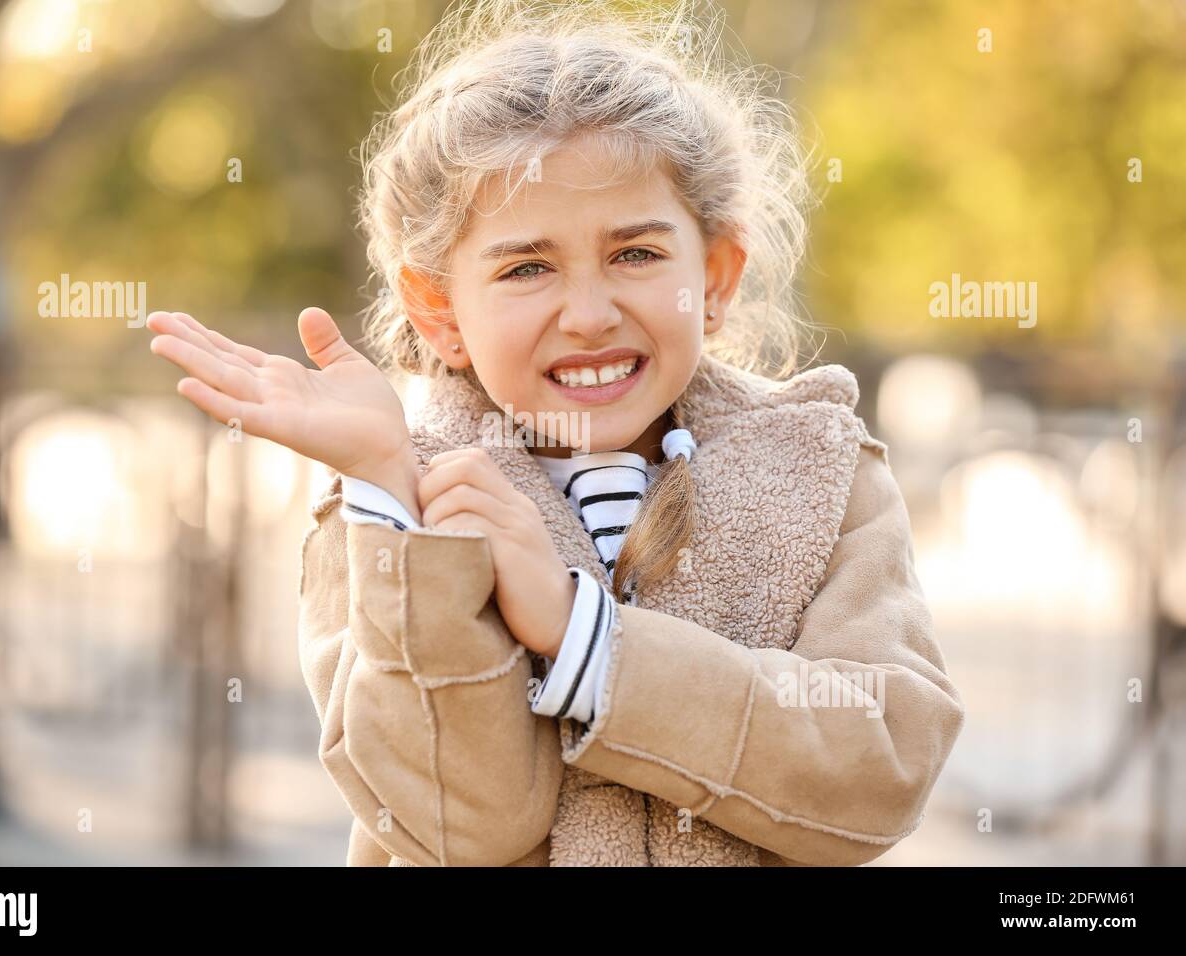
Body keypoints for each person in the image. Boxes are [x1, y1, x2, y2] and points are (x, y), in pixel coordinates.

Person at [147, 0, 964, 867]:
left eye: (636, 255)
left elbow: (882, 767)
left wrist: (587, 638)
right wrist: (393, 492)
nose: (589, 314)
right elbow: (458, 823)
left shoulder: (822, 473)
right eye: (528, 267)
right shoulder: (392, 507)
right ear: (439, 308)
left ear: (717, 276)